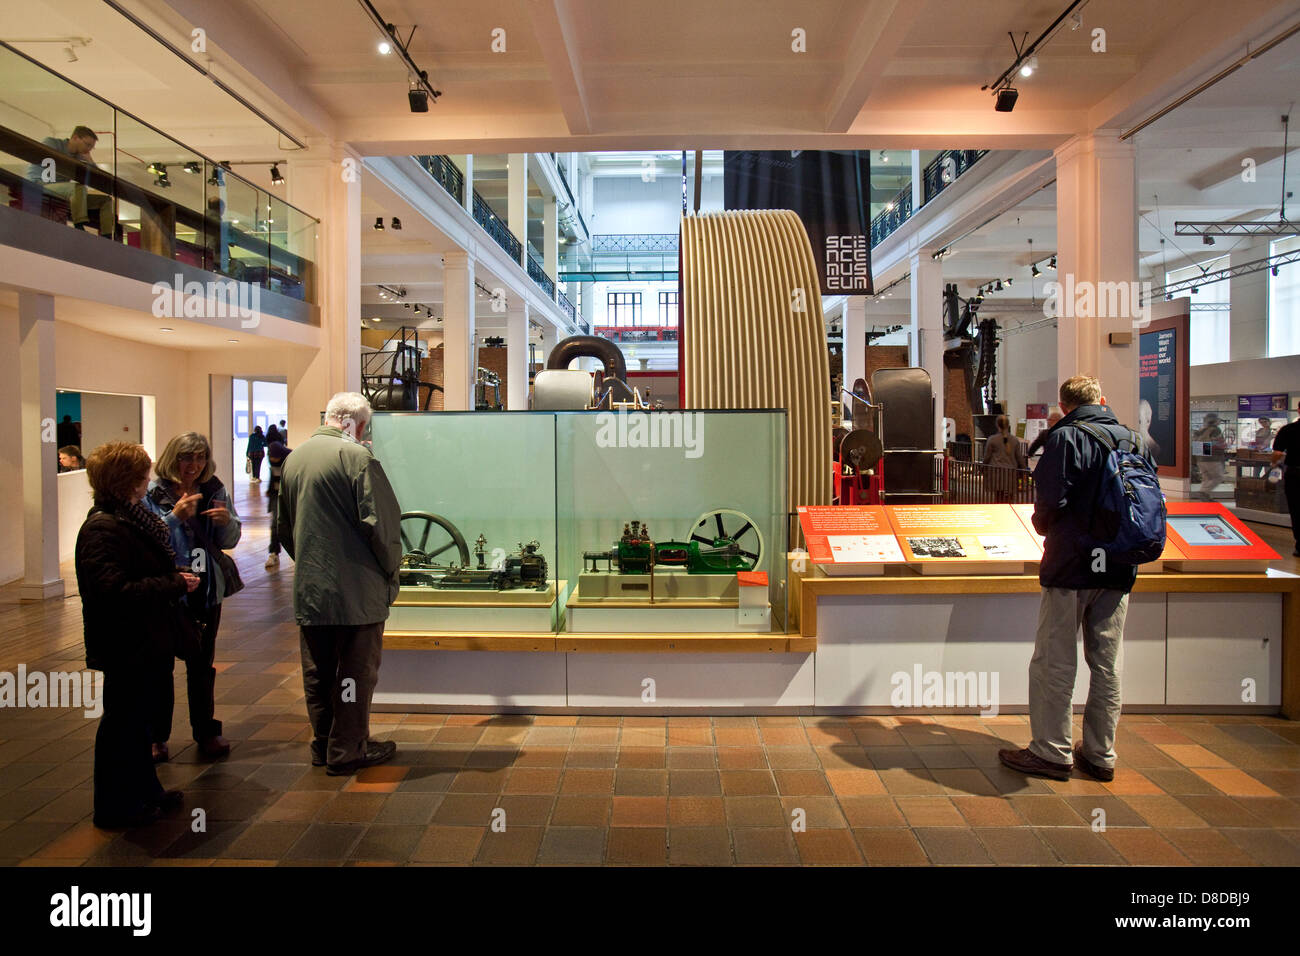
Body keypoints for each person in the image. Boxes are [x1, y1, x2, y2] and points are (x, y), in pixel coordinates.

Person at [999, 375, 1154, 783]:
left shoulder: (1066, 438)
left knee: (1055, 658)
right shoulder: (1134, 440)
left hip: (1073, 565)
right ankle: (1101, 753)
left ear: (1064, 405)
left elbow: (1048, 502)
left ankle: (1052, 751)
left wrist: (1047, 524)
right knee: (1107, 662)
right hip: (1120, 564)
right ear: (1102, 399)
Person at [277, 392, 402, 774]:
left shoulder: (294, 458)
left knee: (318, 670)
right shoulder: (358, 458)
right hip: (356, 592)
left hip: (311, 590)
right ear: (359, 425)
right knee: (354, 673)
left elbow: (285, 529)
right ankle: (347, 749)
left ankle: (323, 743)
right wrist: (391, 574)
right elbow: (382, 526)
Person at [76, 442, 199, 828]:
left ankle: (145, 792)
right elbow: (113, 593)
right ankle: (116, 807)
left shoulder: (129, 519)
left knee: (139, 722)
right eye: (143, 474)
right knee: (122, 726)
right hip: (126, 644)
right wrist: (171, 583)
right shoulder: (103, 528)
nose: (148, 479)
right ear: (128, 480)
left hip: (145, 641)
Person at [144, 433, 241, 761]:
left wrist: (227, 522)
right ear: (174, 458)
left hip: (206, 589)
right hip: (167, 591)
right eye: (187, 458)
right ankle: (157, 736)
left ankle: (206, 731)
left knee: (202, 665)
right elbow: (144, 536)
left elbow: (230, 539)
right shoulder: (154, 493)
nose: (194, 465)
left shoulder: (214, 489)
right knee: (159, 666)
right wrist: (174, 519)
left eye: (200, 458)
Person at [25, 126, 114, 237]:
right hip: (40, 184)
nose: (89, 149)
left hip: (63, 191)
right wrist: (79, 162)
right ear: (76, 138)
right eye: (88, 144)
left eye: (92, 147)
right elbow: (48, 157)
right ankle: (79, 226)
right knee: (78, 188)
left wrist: (90, 161)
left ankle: (107, 236)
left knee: (105, 200)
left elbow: (99, 179)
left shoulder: (80, 157)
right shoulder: (52, 143)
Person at [1270, 404, 1300, 557]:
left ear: (1299, 410)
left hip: (1295, 473)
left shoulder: (1289, 430)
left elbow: (1277, 453)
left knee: (1296, 509)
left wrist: (1274, 464)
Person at [982, 414, 1027, 502]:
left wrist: (983, 467)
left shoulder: (992, 439)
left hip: (997, 472)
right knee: (1010, 498)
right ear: (1008, 425)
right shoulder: (1014, 440)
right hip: (1010, 473)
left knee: (998, 496)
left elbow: (987, 457)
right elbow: (1019, 457)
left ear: (997, 425)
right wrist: (1024, 470)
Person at [265, 439, 290, 570]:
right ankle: (274, 552)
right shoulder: (272, 460)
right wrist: (270, 490)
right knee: (275, 525)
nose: (273, 459)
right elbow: (273, 476)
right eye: (271, 456)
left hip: (288, 495)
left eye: (275, 457)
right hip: (276, 495)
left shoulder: (290, 460)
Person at [1193, 412, 1228, 501]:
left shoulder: (1200, 430)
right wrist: (1223, 445)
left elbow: (1196, 445)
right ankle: (1204, 492)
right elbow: (1218, 444)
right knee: (1218, 477)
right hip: (1212, 458)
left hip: (1200, 458)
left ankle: (1205, 496)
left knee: (1207, 478)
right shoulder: (1215, 430)